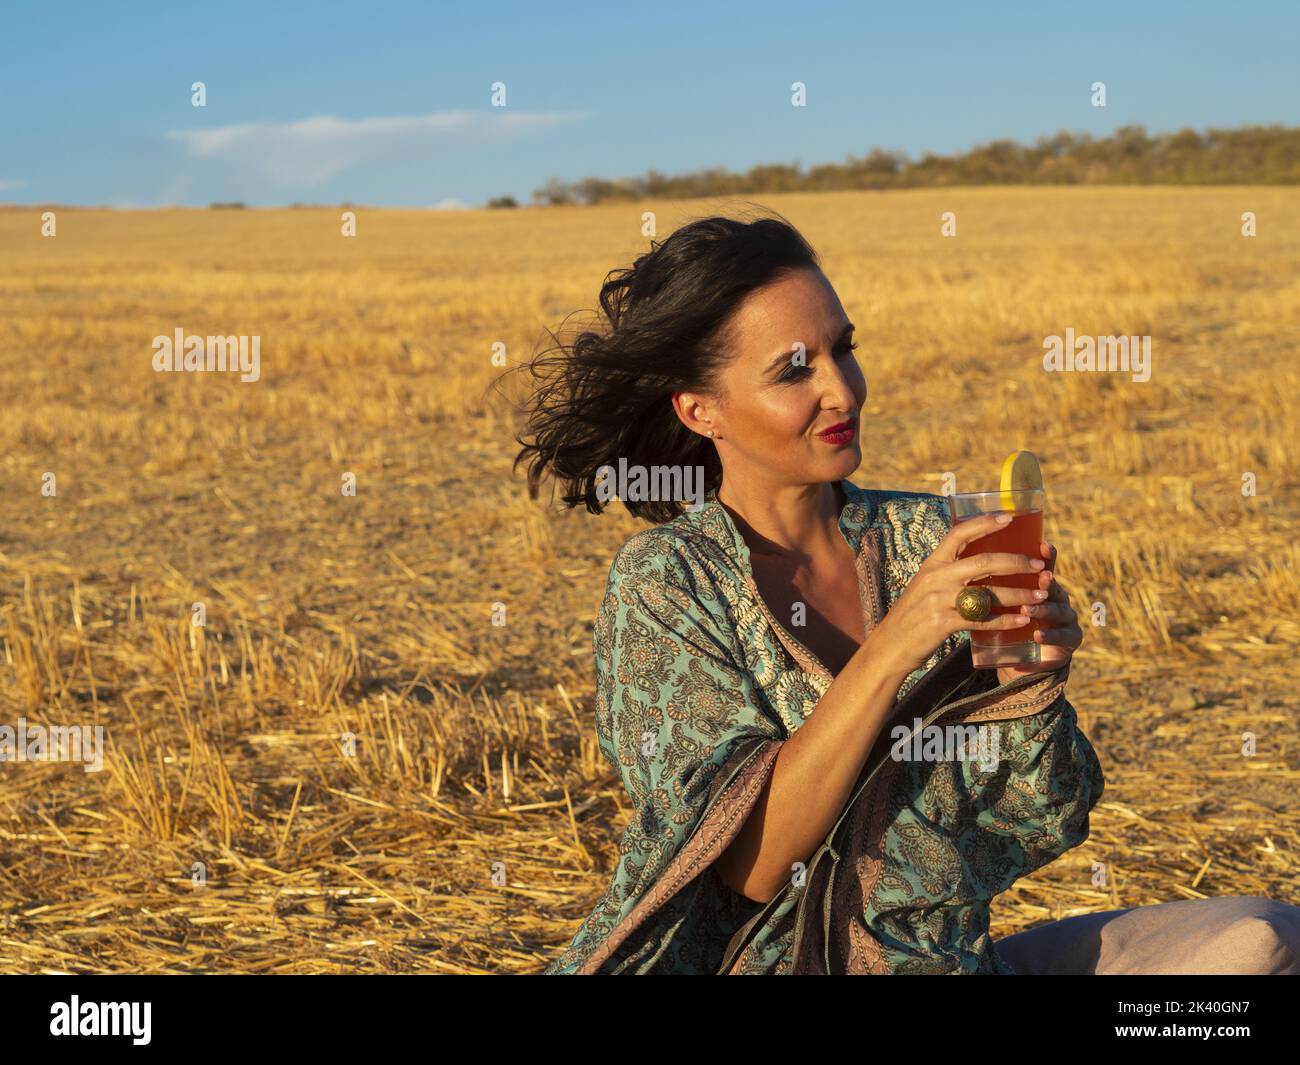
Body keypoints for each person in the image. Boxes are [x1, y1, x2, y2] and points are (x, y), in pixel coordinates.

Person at [509, 209, 1300, 974]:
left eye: (842, 349)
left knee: (1260, 939)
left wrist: (1031, 687)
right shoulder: (668, 582)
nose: (843, 390)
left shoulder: (935, 538)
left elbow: (1045, 816)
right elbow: (750, 865)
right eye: (794, 369)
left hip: (958, 962)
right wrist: (894, 648)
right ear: (699, 408)